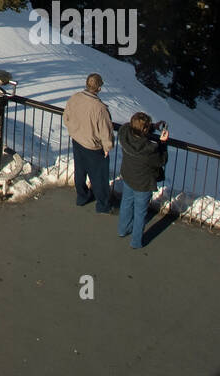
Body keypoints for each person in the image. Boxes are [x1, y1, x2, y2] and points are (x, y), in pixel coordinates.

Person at [62, 73, 114, 213]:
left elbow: (66, 117)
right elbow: (106, 131)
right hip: (93, 147)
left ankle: (82, 197)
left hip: (77, 141)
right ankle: (102, 205)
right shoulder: (100, 108)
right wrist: (107, 146)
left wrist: (74, 130)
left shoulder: (75, 98)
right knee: (99, 178)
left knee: (80, 171)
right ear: (99, 88)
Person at [117, 113, 168, 249]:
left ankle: (123, 229)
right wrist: (163, 143)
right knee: (140, 213)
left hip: (128, 176)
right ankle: (135, 242)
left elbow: (132, 127)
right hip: (143, 183)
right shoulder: (149, 150)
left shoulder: (124, 134)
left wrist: (151, 127)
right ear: (144, 130)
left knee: (126, 203)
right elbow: (161, 161)